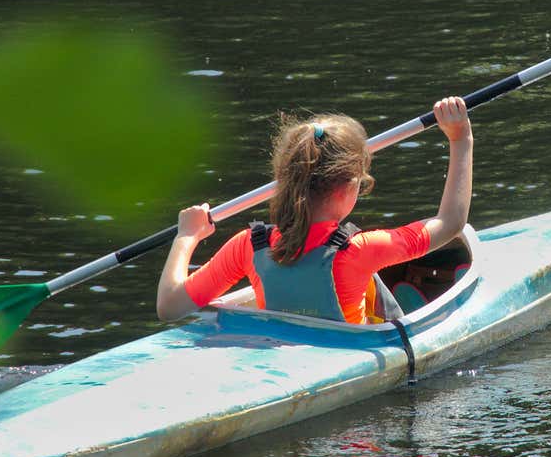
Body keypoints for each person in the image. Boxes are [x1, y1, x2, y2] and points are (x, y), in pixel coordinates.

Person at [155, 97, 473, 325]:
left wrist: (187, 236)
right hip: (349, 357)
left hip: (285, 354)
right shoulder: (361, 249)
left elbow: (169, 307)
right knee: (373, 281)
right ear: (346, 188)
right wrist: (461, 139)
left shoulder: (249, 245)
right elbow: (451, 222)